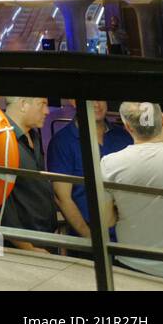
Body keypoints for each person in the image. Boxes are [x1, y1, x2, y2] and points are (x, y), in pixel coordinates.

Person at [101, 102, 163, 281]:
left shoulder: (110, 163)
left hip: (131, 265)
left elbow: (107, 219)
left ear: (127, 126)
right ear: (162, 120)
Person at [46, 100, 132, 245]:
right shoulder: (63, 142)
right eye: (90, 100)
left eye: (100, 98)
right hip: (89, 239)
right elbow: (63, 198)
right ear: (74, 102)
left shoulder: (123, 137)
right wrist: (91, 240)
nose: (97, 104)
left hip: (128, 237)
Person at [0, 96, 56, 251]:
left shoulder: (33, 136)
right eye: (42, 104)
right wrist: (27, 247)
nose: (47, 111)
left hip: (43, 237)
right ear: (23, 105)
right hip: (16, 247)